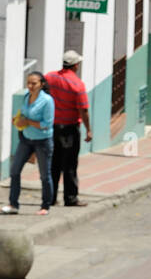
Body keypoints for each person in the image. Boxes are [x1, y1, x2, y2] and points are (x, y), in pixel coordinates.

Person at [44, 49, 93, 208]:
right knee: (70, 165)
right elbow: (83, 110)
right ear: (76, 65)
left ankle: (50, 198)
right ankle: (70, 198)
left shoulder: (50, 77)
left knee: (54, 164)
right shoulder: (77, 85)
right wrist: (89, 129)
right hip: (70, 129)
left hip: (52, 128)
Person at [2, 71, 55, 215]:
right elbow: (25, 114)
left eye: (34, 83)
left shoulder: (47, 100)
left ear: (42, 84)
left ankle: (45, 205)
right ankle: (13, 204)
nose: (30, 86)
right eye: (28, 83)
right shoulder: (27, 96)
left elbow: (47, 124)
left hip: (42, 141)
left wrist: (28, 122)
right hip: (26, 139)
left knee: (44, 174)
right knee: (14, 170)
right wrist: (18, 120)